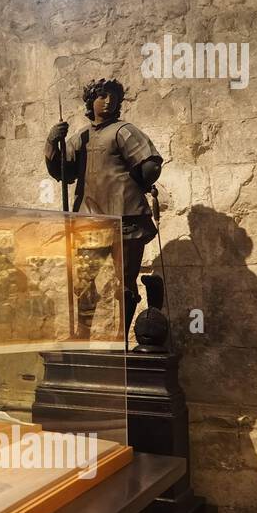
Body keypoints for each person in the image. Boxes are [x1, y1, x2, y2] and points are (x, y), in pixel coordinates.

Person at [45, 78, 162, 338]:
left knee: (125, 283)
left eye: (112, 96)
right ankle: (82, 333)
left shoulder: (124, 131)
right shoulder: (80, 138)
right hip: (90, 219)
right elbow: (63, 172)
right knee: (84, 281)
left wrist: (142, 180)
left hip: (126, 217)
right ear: (91, 101)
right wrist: (53, 142)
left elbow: (150, 163)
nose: (108, 101)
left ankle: (122, 336)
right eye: (101, 96)